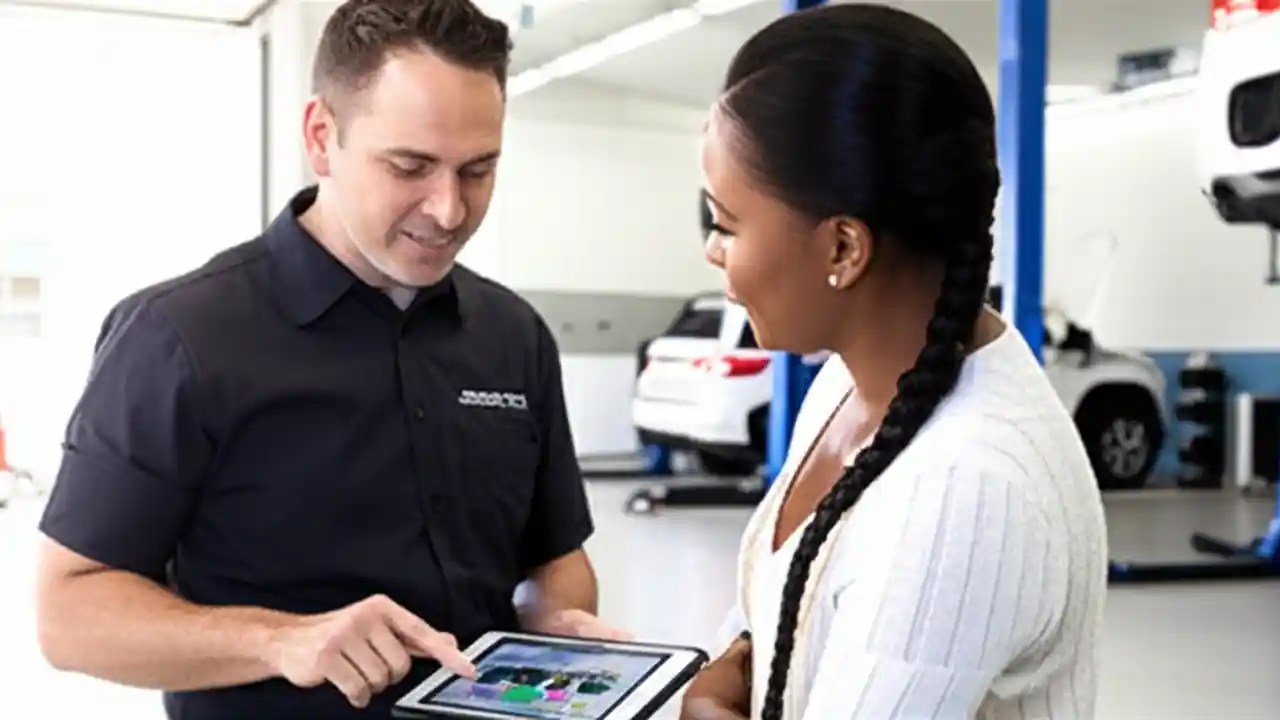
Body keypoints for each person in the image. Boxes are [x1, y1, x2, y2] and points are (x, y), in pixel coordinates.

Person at [34, 1, 625, 718]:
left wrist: (555, 629)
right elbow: (70, 612)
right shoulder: (178, 338)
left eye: (478, 170)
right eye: (410, 166)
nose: (448, 209)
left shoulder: (514, 334)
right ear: (322, 136)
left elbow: (552, 557)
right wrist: (280, 641)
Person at [680, 5, 1107, 720]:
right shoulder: (845, 385)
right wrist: (724, 676)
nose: (713, 250)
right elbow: (775, 621)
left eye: (727, 224)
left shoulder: (963, 494)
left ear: (843, 248)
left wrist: (702, 709)